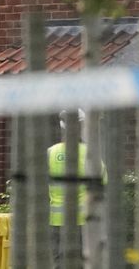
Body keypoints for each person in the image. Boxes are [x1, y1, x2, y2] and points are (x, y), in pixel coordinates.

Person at [48, 109, 106, 260]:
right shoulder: (91, 154)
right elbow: (103, 184)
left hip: (57, 222)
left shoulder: (50, 153)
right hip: (85, 221)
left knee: (58, 260)